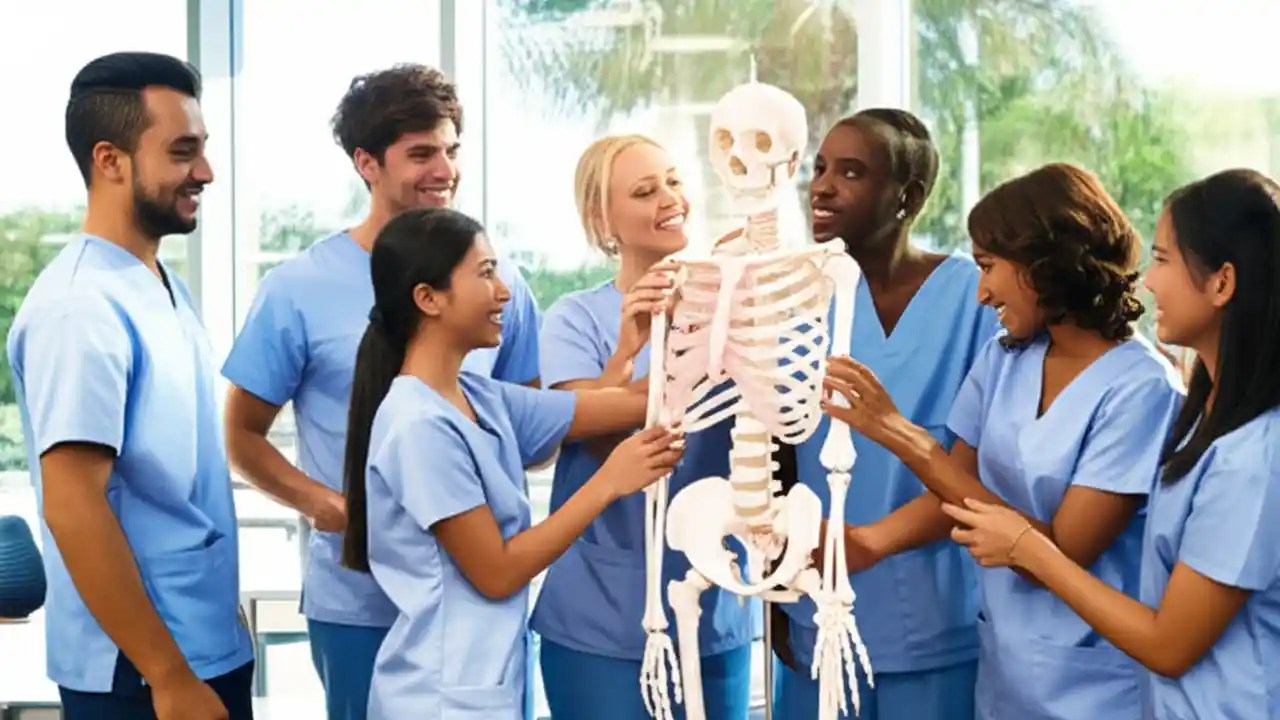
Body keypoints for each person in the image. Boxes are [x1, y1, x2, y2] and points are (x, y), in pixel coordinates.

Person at [220, 64, 541, 720]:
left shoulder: (499, 283)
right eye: (421, 153)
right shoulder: (298, 288)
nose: (444, 169)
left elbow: (528, 427)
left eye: (451, 150)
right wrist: (329, 507)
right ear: (366, 163)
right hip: (359, 602)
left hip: (480, 605)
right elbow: (241, 435)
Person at [822, 162, 1184, 719]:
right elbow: (958, 491)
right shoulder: (1006, 356)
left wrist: (902, 436)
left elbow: (1061, 552)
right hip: (1007, 671)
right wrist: (869, 542)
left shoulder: (1141, 389)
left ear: (1044, 267)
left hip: (1094, 685)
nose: (982, 292)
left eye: (990, 267)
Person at [938, 168, 1280, 720]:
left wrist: (1030, 548)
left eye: (1164, 260)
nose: (1147, 282)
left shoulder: (1251, 458)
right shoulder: (1205, 415)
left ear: (1222, 283)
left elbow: (1170, 646)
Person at [338, 206, 682, 720]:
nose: (504, 291)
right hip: (439, 701)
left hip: (487, 687)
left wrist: (640, 347)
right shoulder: (418, 426)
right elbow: (495, 572)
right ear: (428, 299)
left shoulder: (480, 397)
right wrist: (609, 483)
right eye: (485, 274)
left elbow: (630, 406)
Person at [5, 52, 253, 719]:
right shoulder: (79, 307)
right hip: (139, 674)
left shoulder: (160, 285)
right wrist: (169, 676)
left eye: (202, 149)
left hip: (199, 647)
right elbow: (72, 505)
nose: (205, 171)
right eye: (183, 152)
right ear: (109, 160)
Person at [771, 108, 999, 720]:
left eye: (851, 172)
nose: (821, 186)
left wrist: (871, 543)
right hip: (814, 609)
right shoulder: (797, 298)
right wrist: (774, 593)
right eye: (820, 169)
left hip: (938, 618)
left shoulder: (976, 298)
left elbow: (982, 468)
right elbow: (779, 449)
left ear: (908, 196)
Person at [528, 135, 753, 719]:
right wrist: (628, 351)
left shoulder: (737, 313)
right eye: (645, 191)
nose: (669, 199)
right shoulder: (575, 319)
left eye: (674, 181)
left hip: (713, 603)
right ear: (603, 219)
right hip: (600, 615)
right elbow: (582, 430)